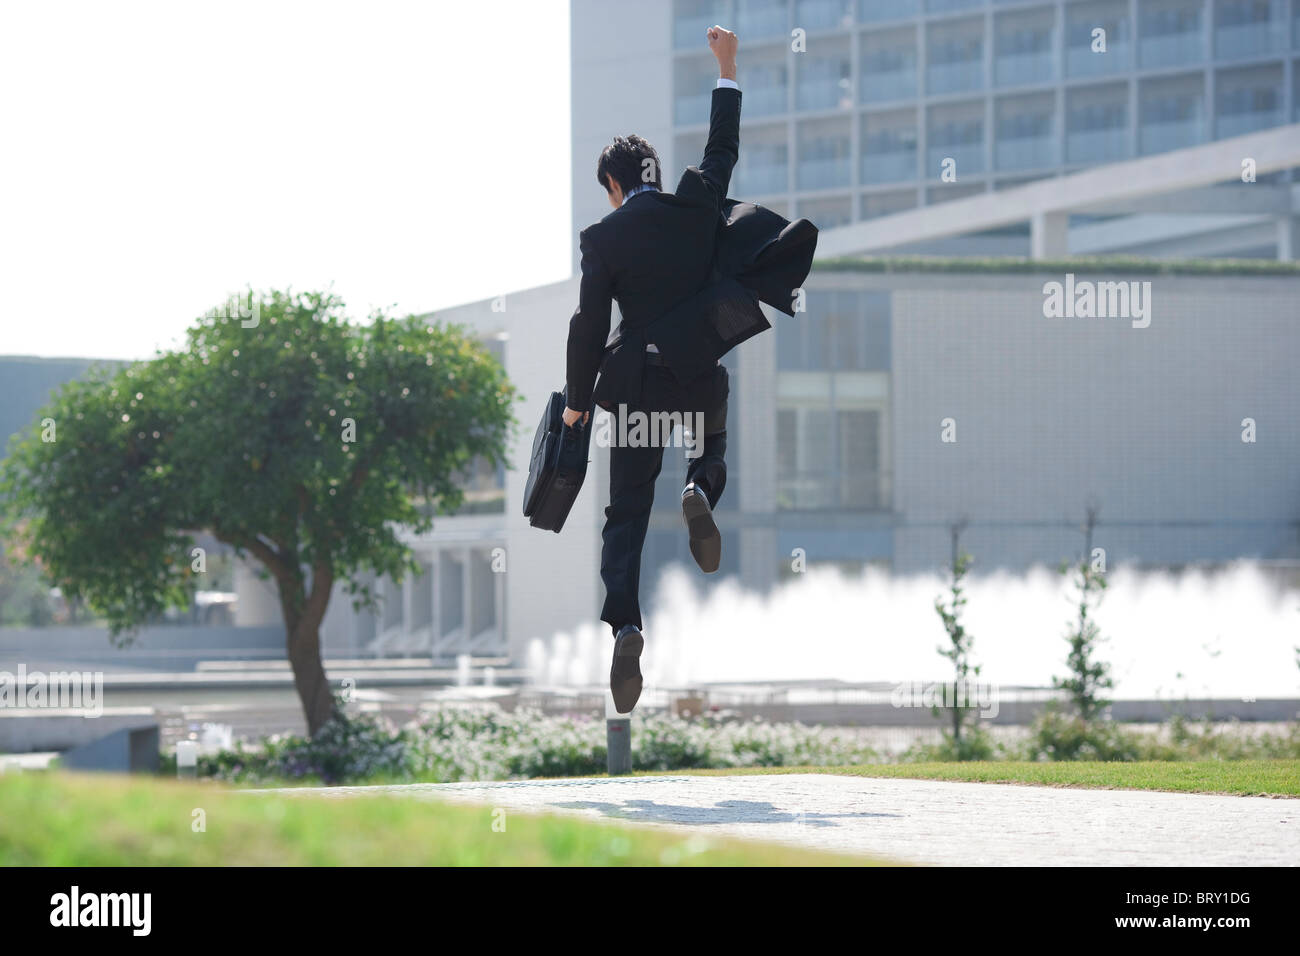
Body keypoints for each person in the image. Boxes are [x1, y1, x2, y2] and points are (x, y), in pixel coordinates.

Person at [563, 26, 741, 714]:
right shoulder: (695, 205)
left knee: (626, 515)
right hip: (698, 373)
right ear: (656, 177)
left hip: (636, 385)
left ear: (613, 185)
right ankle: (699, 487)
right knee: (713, 445)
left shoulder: (605, 238)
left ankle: (627, 624)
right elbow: (721, 150)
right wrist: (724, 69)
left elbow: (587, 328)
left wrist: (579, 404)